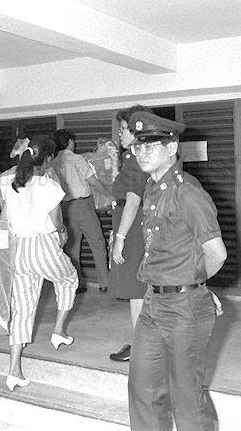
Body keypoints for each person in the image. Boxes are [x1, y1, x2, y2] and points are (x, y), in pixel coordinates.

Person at [126, 111, 227, 431]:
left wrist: (196, 285)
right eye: (137, 147)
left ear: (172, 148)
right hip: (152, 302)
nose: (141, 152)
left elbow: (216, 253)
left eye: (150, 146)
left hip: (183, 308)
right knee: (142, 388)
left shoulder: (188, 192)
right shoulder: (152, 189)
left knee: (186, 396)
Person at [0, 136, 79, 391]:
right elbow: (57, 221)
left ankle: (14, 371)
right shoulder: (49, 185)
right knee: (68, 279)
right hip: (42, 245)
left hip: (18, 250)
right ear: (47, 159)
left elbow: (3, 220)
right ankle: (58, 330)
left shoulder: (7, 183)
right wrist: (64, 232)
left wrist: (2, 251)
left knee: (22, 310)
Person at [107, 105, 151, 362]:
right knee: (138, 291)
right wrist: (114, 161)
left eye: (124, 129)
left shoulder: (136, 160)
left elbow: (133, 201)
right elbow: (118, 193)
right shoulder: (131, 158)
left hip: (133, 229)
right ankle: (141, 343)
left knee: (137, 291)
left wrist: (120, 239)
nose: (120, 134)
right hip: (127, 224)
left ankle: (142, 348)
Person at [51, 128, 112, 292]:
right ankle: (105, 283)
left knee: (71, 247)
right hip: (82, 205)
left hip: (63, 208)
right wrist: (109, 194)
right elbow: (92, 182)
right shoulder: (77, 159)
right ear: (70, 141)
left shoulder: (52, 163)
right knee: (97, 242)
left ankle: (76, 284)